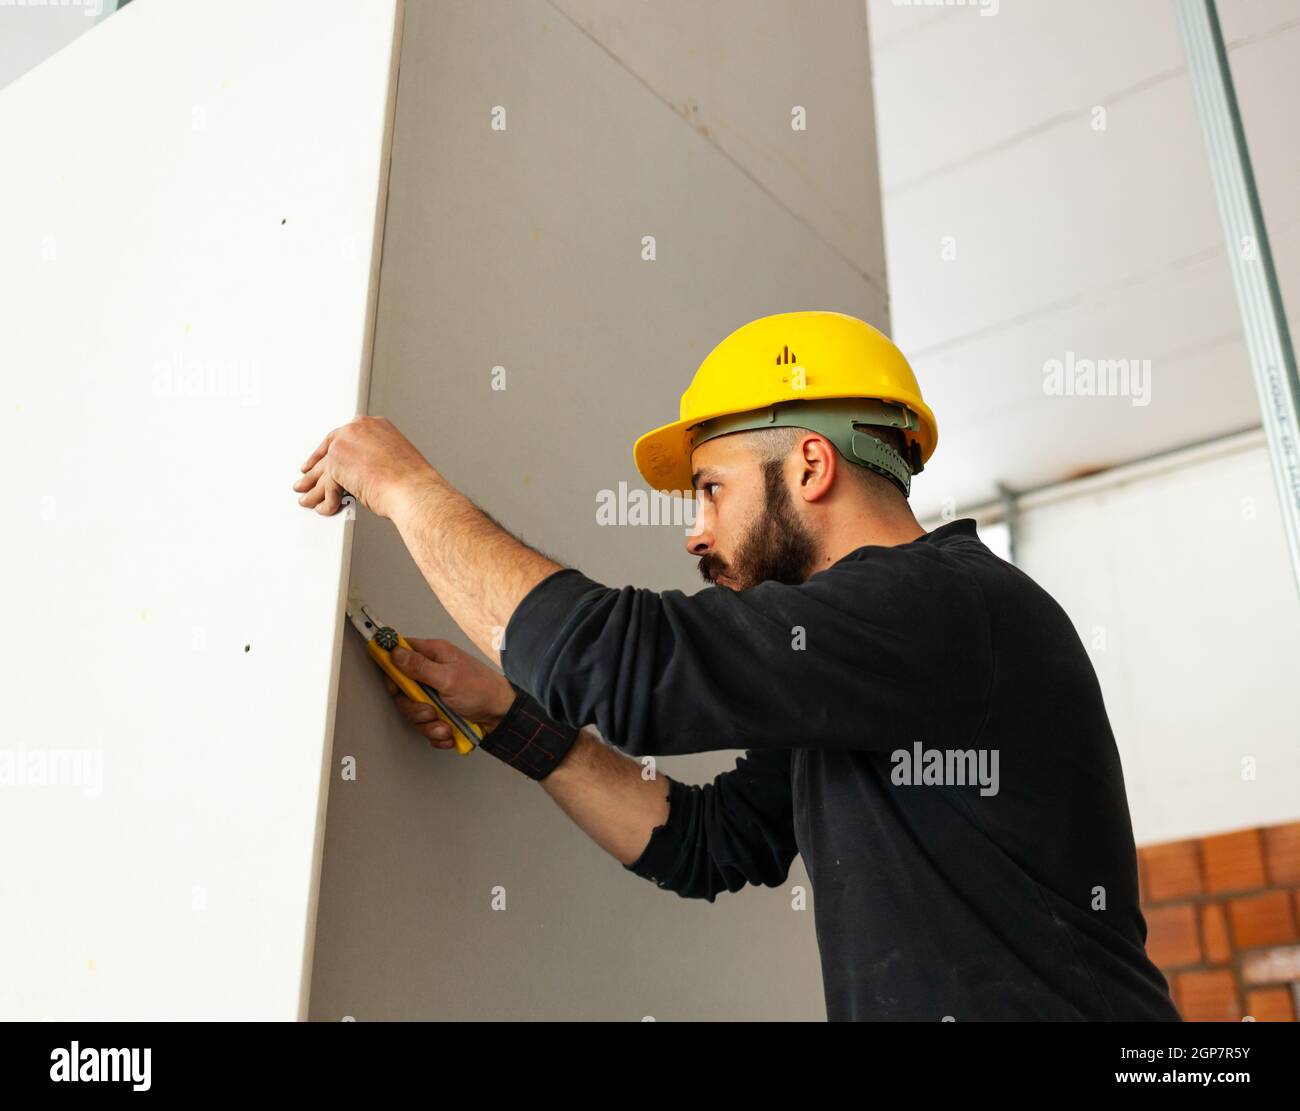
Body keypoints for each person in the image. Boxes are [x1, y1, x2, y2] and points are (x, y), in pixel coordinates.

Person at [293, 310, 1181, 1021]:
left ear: (810, 464)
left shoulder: (940, 607)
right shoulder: (862, 660)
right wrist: (507, 718)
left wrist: (408, 488)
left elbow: (615, 665)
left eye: (711, 487)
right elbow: (710, 841)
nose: (694, 527)